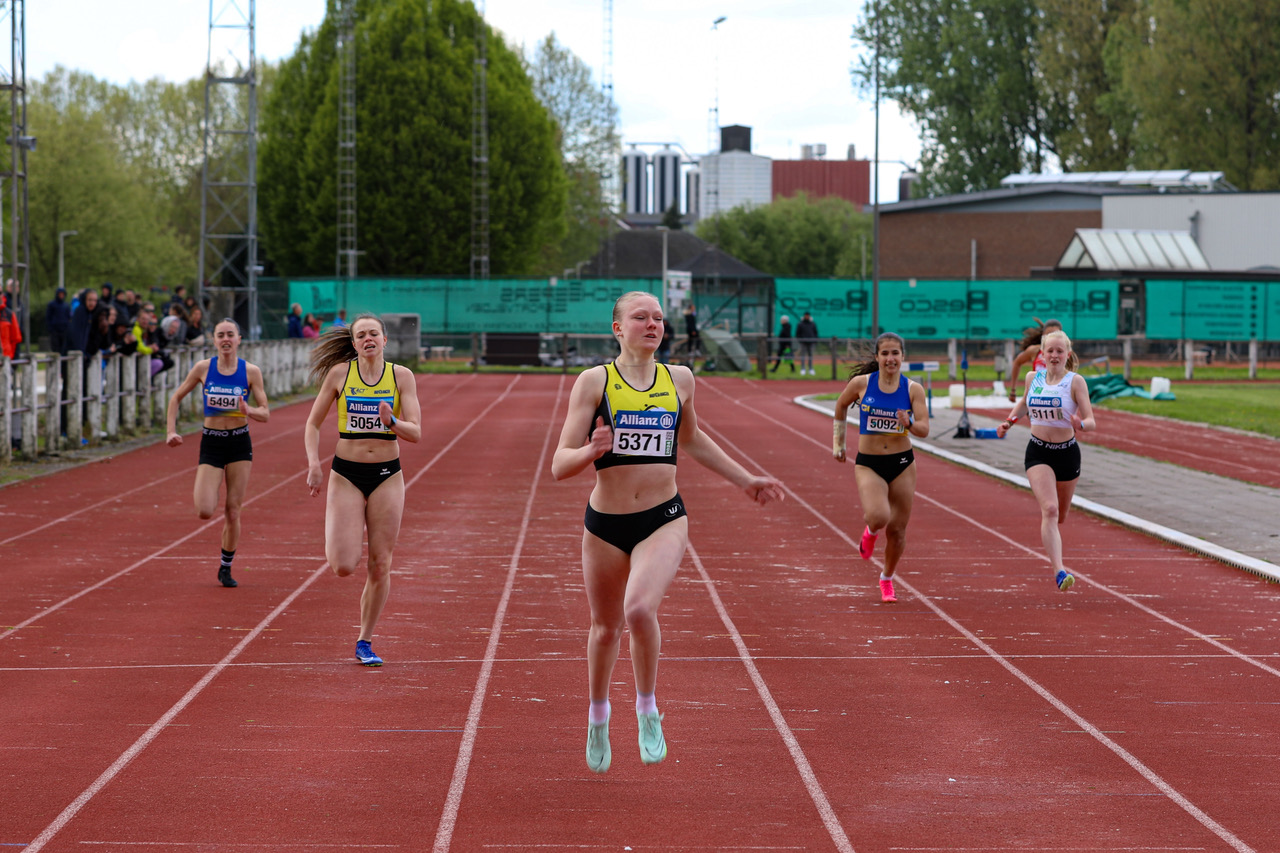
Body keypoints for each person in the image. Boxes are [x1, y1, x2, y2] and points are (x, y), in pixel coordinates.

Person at [552, 291, 785, 774]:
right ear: (618, 328)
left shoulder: (679, 378)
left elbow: (692, 438)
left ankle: (647, 709)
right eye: (641, 317)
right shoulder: (594, 381)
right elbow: (559, 464)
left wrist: (745, 480)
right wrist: (591, 451)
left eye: (658, 317)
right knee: (605, 628)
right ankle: (598, 718)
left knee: (639, 609)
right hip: (605, 524)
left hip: (663, 517)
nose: (653, 324)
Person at [304, 314, 422, 667]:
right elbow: (312, 424)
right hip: (347, 474)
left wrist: (393, 422)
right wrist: (314, 464)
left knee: (380, 563)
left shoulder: (401, 376)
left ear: (385, 339)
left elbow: (416, 432)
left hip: (387, 475)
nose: (368, 339)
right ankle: (338, 532)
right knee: (343, 565)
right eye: (361, 335)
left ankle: (365, 640)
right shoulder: (340, 374)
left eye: (374, 333)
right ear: (354, 343)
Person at [165, 318, 271, 588]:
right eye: (221, 335)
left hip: (239, 443)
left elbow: (265, 413)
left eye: (230, 335)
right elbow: (176, 398)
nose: (226, 339)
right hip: (212, 442)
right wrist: (170, 431)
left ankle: (225, 567)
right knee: (204, 510)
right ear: (214, 340)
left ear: (238, 339)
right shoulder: (203, 368)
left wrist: (249, 410)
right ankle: (211, 502)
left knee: (233, 511)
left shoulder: (251, 372)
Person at [831, 332, 930, 603]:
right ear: (877, 357)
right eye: (885, 353)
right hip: (869, 464)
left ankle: (886, 578)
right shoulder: (862, 384)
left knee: (897, 531)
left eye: (895, 353)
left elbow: (924, 429)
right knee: (878, 516)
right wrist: (839, 443)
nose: (890, 359)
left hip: (902, 464)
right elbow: (840, 405)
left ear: (903, 356)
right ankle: (871, 532)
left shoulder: (913, 389)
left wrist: (909, 423)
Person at [996, 329, 1095, 592]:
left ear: (1067, 354)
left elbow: (1091, 421)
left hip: (1067, 453)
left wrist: (1080, 424)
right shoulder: (1033, 378)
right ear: (1042, 353)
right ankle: (1060, 571)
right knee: (1049, 510)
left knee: (1060, 515)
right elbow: (1023, 404)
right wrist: (1009, 421)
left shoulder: (1075, 382)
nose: (1054, 355)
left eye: (1059, 351)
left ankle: (1055, 546)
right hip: (1038, 452)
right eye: (1050, 351)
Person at [1007, 318, 1063, 401]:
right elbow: (1017, 362)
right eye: (1048, 335)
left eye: (1054, 335)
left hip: (1057, 396)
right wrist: (1013, 390)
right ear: (1043, 335)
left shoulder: (1066, 354)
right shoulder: (1035, 350)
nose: (1051, 338)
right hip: (1038, 395)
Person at [46, 288, 72, 355]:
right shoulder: (52, 304)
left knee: (64, 347)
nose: (61, 296)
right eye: (60, 294)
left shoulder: (66, 305)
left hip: (64, 330)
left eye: (63, 294)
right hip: (55, 330)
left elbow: (69, 317)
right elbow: (48, 317)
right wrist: (50, 328)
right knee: (55, 347)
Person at [795, 312, 819, 376]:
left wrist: (815, 340)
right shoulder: (800, 324)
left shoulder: (812, 324)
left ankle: (811, 369)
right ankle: (803, 369)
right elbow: (798, 333)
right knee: (803, 356)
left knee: (810, 356)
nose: (807, 317)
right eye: (806, 315)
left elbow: (815, 333)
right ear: (804, 316)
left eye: (808, 316)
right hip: (803, 343)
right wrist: (801, 340)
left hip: (811, 342)